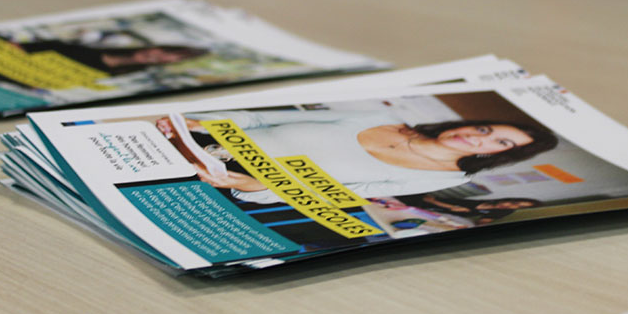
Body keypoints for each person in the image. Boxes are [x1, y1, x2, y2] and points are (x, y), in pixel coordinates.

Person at [161, 110, 558, 204]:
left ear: (500, 157)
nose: (476, 138)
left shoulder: (446, 178)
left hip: (225, 184)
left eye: (500, 144)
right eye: (485, 129)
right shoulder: (378, 117)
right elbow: (263, 118)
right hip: (190, 139)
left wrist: (253, 185)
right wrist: (201, 122)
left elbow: (332, 193)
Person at [0, 37, 210, 82]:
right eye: (164, 49)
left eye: (167, 58)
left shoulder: (110, 79)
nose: (157, 55)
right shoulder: (69, 48)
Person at [392, 193, 542, 224]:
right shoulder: (491, 201)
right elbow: (429, 199)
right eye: (515, 202)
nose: (512, 206)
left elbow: (483, 223)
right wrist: (451, 207)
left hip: (428, 213)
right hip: (419, 203)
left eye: (518, 207)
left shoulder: (504, 211)